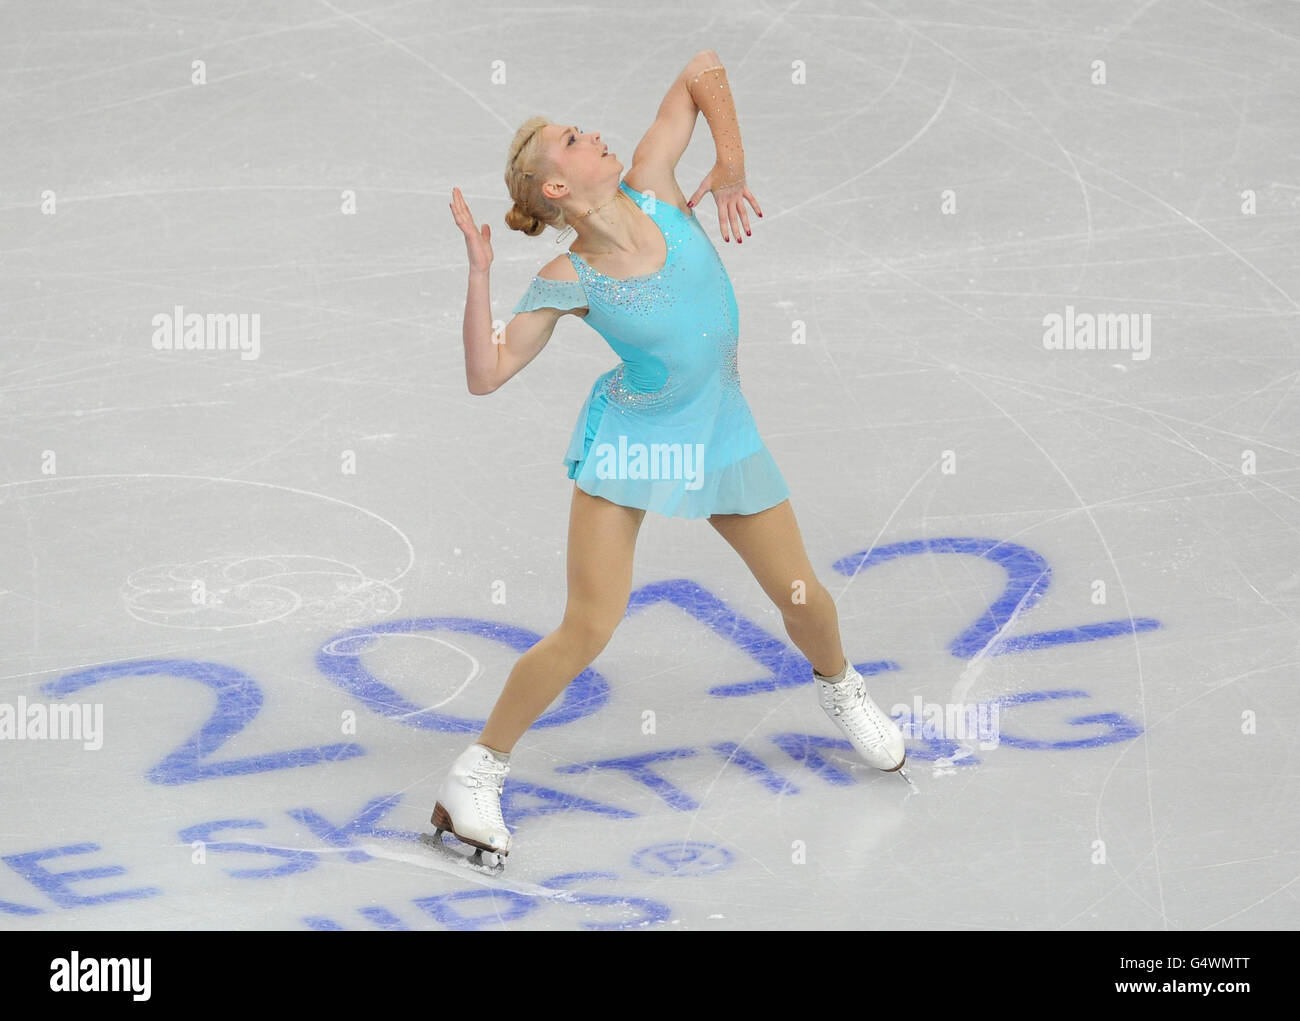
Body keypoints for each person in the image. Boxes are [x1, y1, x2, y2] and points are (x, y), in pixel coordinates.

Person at [437, 51, 905, 870]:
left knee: (806, 599)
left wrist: (730, 163)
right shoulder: (568, 275)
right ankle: (474, 775)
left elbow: (703, 70)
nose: (595, 135)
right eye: (575, 139)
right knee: (590, 624)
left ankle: (841, 688)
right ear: (557, 188)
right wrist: (480, 275)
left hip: (719, 430)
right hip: (632, 442)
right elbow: (487, 374)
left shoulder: (655, 180)